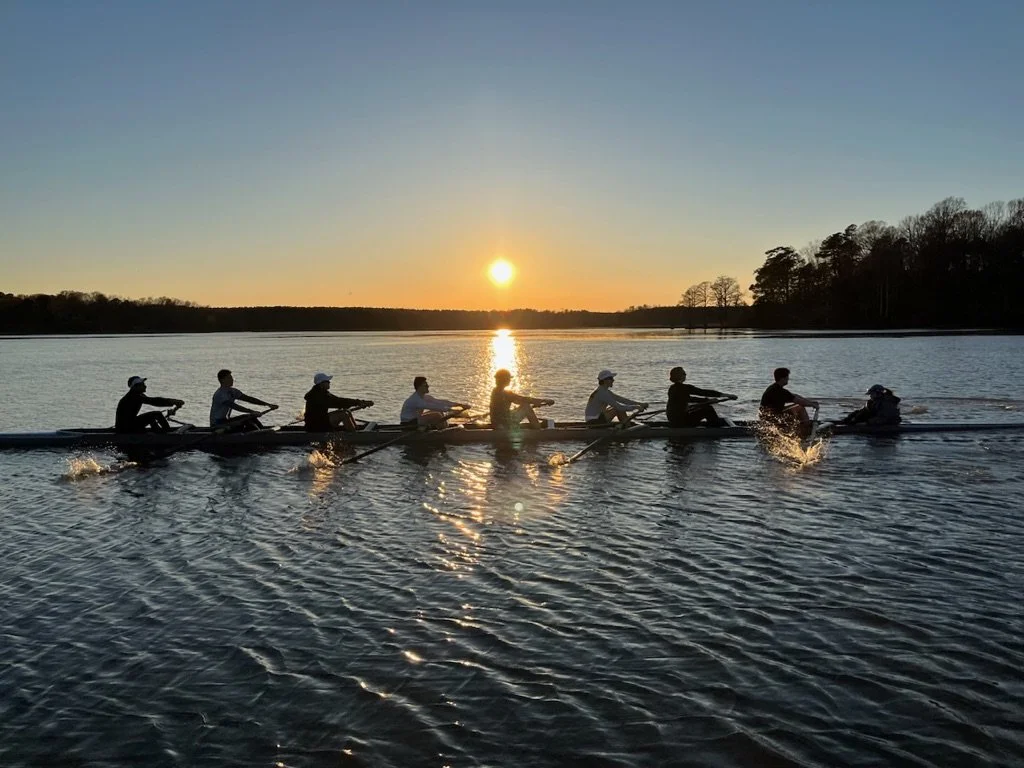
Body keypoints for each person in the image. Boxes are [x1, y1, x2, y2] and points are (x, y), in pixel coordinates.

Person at [666, 367, 737, 428]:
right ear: (680, 376)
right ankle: (715, 428)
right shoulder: (684, 388)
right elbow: (703, 393)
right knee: (708, 409)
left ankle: (713, 424)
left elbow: (684, 401)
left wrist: (706, 401)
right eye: (684, 373)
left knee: (704, 406)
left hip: (674, 420)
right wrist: (727, 395)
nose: (686, 375)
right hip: (681, 421)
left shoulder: (672, 388)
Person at [209, 369, 279, 431]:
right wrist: (252, 411)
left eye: (231, 377)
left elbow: (249, 399)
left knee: (250, 417)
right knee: (247, 420)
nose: (232, 379)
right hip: (217, 424)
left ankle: (262, 431)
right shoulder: (220, 394)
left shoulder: (233, 391)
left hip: (226, 421)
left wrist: (268, 404)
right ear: (222, 380)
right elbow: (234, 406)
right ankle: (261, 436)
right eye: (229, 378)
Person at [759, 367, 819, 437]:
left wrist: (811, 402)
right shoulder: (780, 391)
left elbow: (795, 396)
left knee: (796, 407)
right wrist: (814, 405)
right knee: (800, 408)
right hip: (772, 417)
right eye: (787, 377)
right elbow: (800, 402)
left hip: (768, 415)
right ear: (782, 378)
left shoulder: (773, 387)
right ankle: (806, 429)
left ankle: (799, 426)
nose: (788, 379)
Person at [303, 372, 374, 432]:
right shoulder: (318, 395)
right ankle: (354, 436)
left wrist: (360, 402)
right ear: (321, 384)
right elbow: (338, 402)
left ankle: (355, 430)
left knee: (346, 411)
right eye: (327, 381)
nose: (329, 382)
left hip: (319, 420)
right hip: (315, 426)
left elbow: (338, 400)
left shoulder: (322, 392)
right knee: (343, 414)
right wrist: (358, 402)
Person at [115, 376, 185, 434]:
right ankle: (168, 435)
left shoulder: (138, 395)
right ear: (135, 387)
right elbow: (155, 401)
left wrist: (173, 402)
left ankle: (160, 434)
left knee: (152, 416)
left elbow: (154, 400)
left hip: (127, 425)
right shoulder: (133, 397)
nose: (145, 386)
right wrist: (173, 401)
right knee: (156, 414)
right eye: (142, 384)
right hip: (124, 429)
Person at [489, 369, 554, 429]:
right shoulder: (506, 393)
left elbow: (501, 409)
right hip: (504, 424)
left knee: (522, 406)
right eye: (508, 378)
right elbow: (524, 399)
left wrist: (536, 402)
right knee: (526, 407)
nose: (510, 380)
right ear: (504, 379)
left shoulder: (495, 391)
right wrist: (544, 400)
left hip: (496, 423)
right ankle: (538, 430)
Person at [400, 376, 470, 428]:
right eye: (425, 385)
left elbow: (441, 402)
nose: (428, 386)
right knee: (436, 415)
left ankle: (443, 428)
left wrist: (460, 405)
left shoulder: (425, 397)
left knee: (439, 412)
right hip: (408, 424)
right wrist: (451, 409)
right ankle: (445, 432)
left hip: (416, 420)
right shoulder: (416, 399)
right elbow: (432, 406)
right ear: (419, 387)